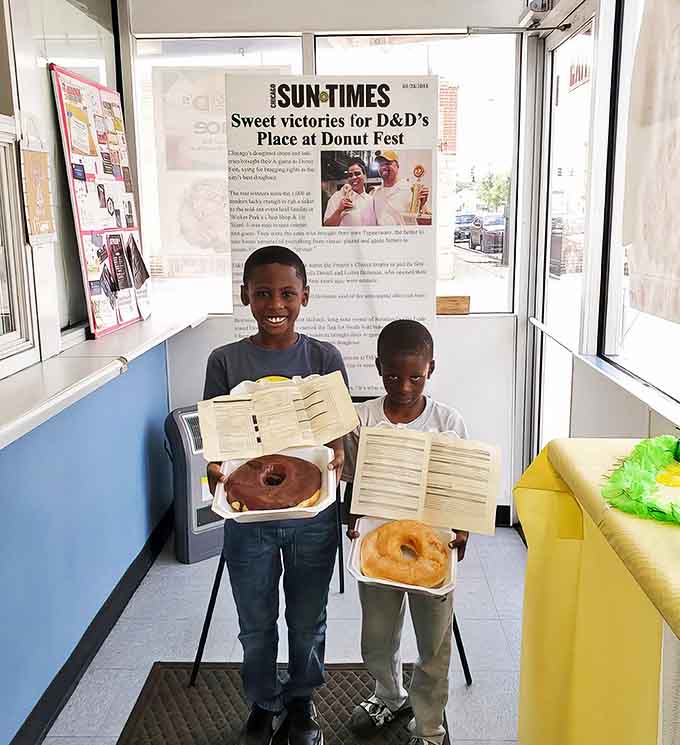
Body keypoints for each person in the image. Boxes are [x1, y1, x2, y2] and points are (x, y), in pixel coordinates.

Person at [204, 245, 347, 745]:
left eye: (288, 293)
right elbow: (218, 447)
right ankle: (263, 703)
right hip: (248, 521)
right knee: (255, 622)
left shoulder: (324, 358)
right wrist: (215, 469)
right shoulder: (224, 361)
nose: (275, 303)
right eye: (262, 293)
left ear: (305, 296)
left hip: (312, 519)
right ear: (245, 296)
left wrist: (338, 455)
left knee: (307, 619)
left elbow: (336, 439)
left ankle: (302, 700)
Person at [342, 319, 469, 745]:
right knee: (376, 638)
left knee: (433, 646)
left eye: (416, 375)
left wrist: (464, 528)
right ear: (378, 368)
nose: (405, 385)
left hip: (434, 546)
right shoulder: (363, 419)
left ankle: (429, 723)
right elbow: (353, 480)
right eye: (394, 375)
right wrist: (351, 516)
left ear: (431, 368)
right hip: (377, 547)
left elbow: (463, 485)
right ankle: (389, 694)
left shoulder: (448, 421)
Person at [371, 150, 430, 226]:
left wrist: (421, 206)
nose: (383, 167)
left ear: (397, 166)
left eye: (388, 163)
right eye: (380, 164)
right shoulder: (375, 193)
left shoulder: (411, 190)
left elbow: (422, 219)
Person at [323, 157, 376, 227]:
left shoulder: (371, 200)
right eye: (350, 175)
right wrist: (339, 210)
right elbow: (327, 225)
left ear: (365, 176)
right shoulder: (338, 197)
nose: (353, 177)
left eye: (357, 173)